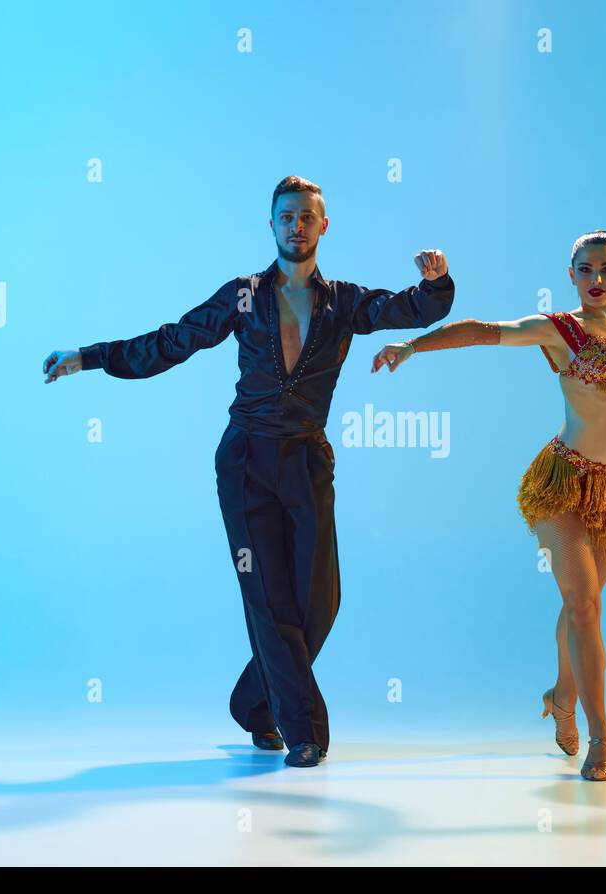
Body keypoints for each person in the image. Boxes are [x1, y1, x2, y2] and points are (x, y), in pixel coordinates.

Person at [43, 176, 455, 767]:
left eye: (307, 216)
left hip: (307, 460)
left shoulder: (344, 301)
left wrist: (436, 282)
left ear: (323, 225)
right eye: (286, 216)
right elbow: (171, 342)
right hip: (245, 463)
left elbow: (410, 308)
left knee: (320, 602)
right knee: (267, 595)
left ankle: (252, 703)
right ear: (272, 225)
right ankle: (304, 731)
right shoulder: (242, 297)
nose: (296, 225)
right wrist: (90, 356)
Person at [371, 230, 606, 780]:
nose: (596, 279)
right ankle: (602, 735)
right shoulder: (558, 331)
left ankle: (561, 696)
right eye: (585, 269)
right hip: (562, 483)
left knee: (580, 608)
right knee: (585, 603)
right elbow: (483, 331)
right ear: (571, 275)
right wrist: (411, 346)